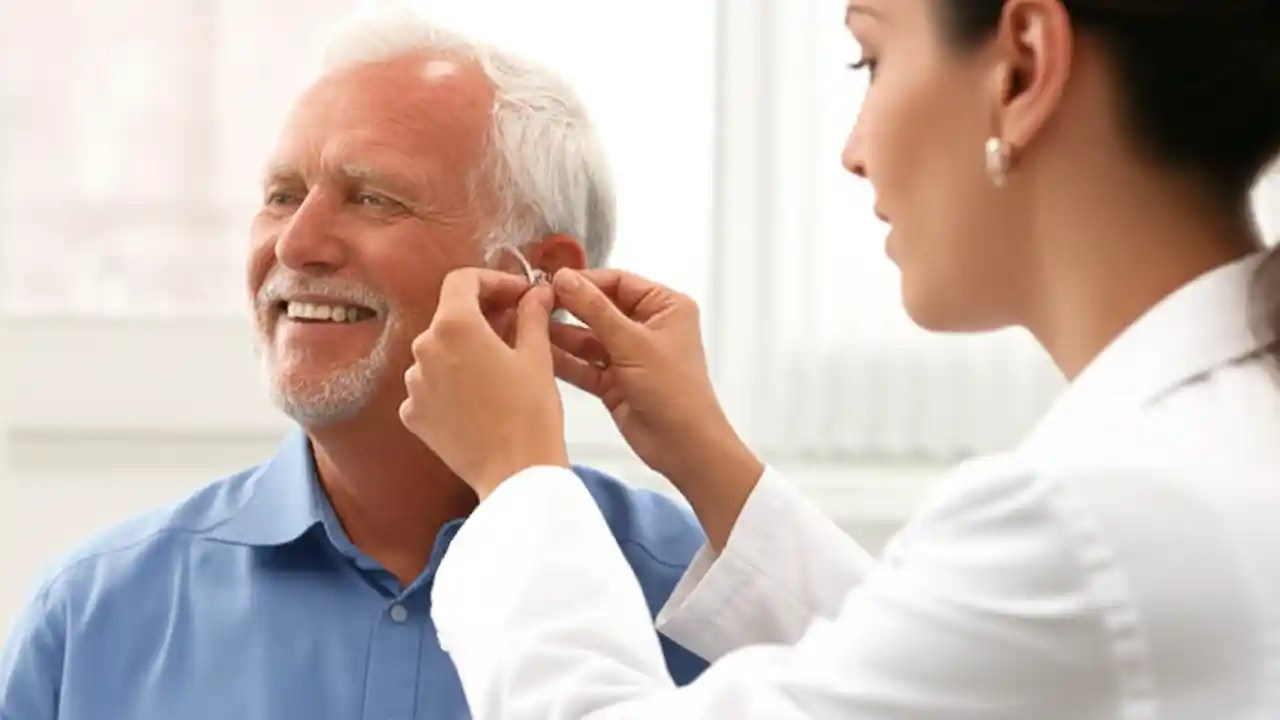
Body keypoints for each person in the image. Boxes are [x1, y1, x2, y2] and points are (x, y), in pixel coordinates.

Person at [397, 0, 1280, 717]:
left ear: (1023, 64)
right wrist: (708, 457)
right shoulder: (1208, 454)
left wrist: (515, 475)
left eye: (871, 60)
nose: (853, 152)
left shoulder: (1090, 523)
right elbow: (939, 670)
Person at [0, 11, 709, 720]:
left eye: (373, 198)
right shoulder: (91, 619)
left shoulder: (706, 611)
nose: (295, 244)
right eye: (282, 196)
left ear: (536, 277)